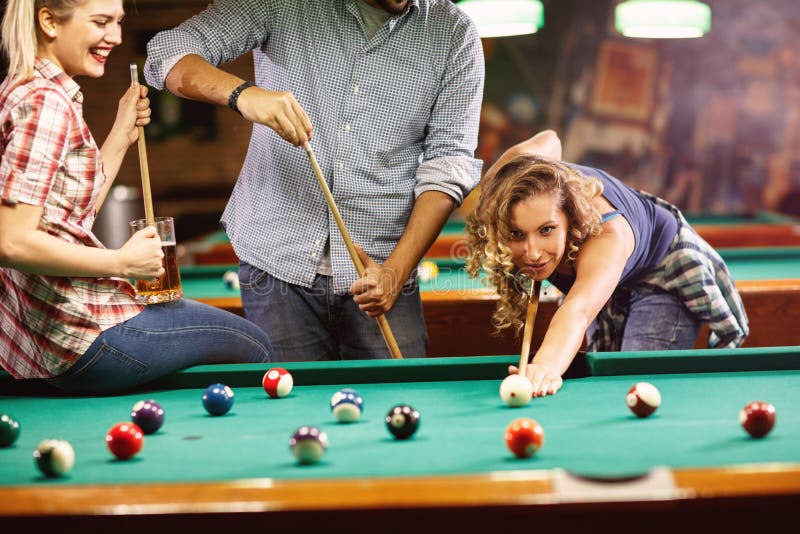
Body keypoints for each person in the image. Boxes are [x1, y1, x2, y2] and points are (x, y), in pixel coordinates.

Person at [143, 0, 484, 361]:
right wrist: (244, 95)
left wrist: (395, 273)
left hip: (382, 269)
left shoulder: (453, 33)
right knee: (285, 411)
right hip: (274, 264)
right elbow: (164, 53)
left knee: (396, 406)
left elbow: (447, 164)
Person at [0, 0, 273, 395]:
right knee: (254, 345)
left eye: (118, 22)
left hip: (43, 343)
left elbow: (67, 218)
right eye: (100, 22)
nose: (115, 36)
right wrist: (121, 261)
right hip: (81, 337)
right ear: (48, 22)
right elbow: (11, 240)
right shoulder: (45, 103)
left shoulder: (20, 90)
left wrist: (120, 135)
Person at [465, 130, 749, 397]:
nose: (533, 253)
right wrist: (495, 187)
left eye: (546, 230)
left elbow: (578, 310)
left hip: (662, 269)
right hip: (613, 277)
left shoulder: (606, 236)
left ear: (570, 217)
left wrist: (544, 368)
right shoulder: (511, 177)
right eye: (516, 234)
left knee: (631, 386)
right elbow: (550, 138)